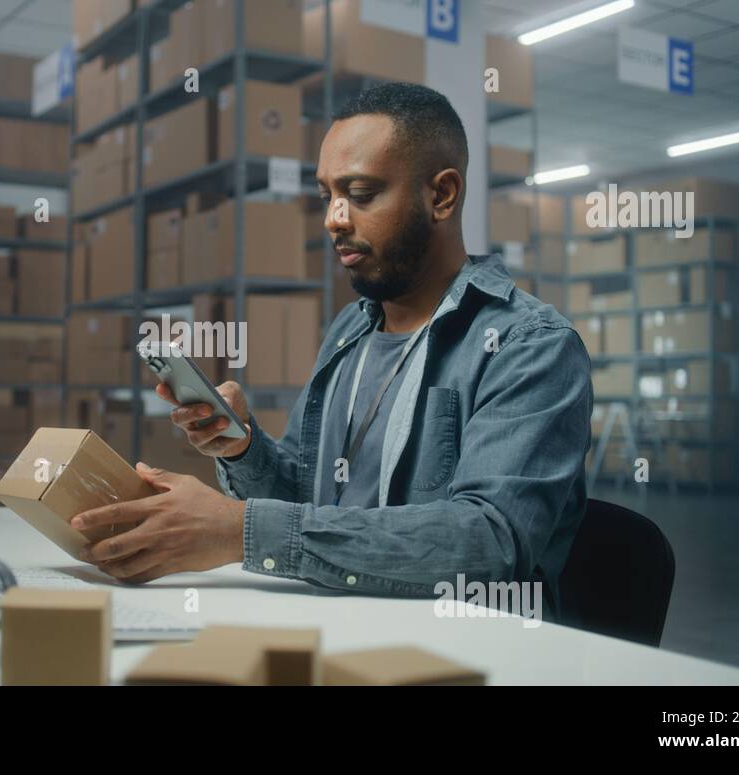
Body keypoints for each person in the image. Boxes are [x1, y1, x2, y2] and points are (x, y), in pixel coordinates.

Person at [70, 83, 593, 619]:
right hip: (341, 619)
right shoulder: (351, 330)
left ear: (441, 196)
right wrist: (241, 448)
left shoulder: (531, 347)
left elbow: (488, 545)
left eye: (361, 194)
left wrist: (237, 530)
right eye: (327, 197)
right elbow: (308, 499)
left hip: (471, 651)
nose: (334, 219)